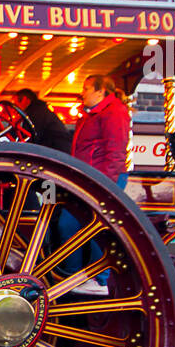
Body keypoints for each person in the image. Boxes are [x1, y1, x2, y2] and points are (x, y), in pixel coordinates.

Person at [55, 74, 132, 296]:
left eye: (87, 88)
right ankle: (75, 277)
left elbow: (116, 151)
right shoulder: (91, 114)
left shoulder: (114, 113)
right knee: (68, 225)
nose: (83, 92)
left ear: (101, 92)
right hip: (87, 179)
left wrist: (105, 184)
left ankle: (101, 280)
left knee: (97, 227)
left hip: (101, 179)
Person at [13, 87, 73, 153]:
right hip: (59, 149)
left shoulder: (35, 113)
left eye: (16, 104)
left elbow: (32, 136)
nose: (16, 109)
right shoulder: (40, 110)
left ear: (25, 99)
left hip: (56, 151)